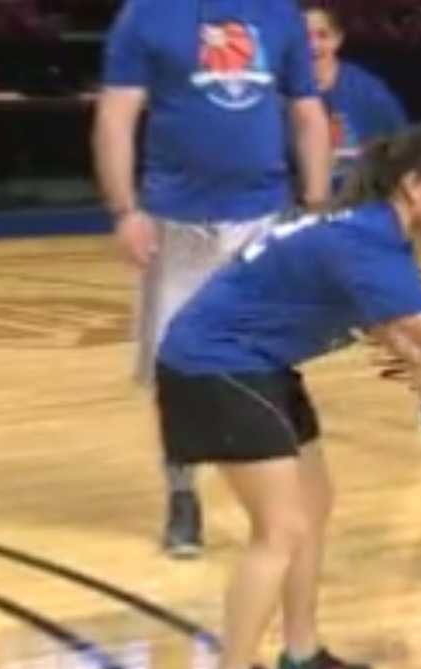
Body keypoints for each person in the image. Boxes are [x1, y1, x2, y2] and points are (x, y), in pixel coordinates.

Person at [154, 122, 421, 669]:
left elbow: (398, 334)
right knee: (279, 530)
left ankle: (301, 655)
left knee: (313, 505)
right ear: (412, 186)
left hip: (258, 363)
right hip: (213, 365)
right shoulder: (367, 243)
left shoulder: (370, 233)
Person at [92, 0, 331, 558]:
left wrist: (317, 205)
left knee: (267, 356)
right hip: (176, 220)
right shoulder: (146, 14)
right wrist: (125, 209)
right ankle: (182, 491)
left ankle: (276, 491)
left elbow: (308, 112)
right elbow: (116, 116)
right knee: (175, 367)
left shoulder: (279, 15)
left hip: (262, 215)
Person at [303, 4, 421, 436]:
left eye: (321, 35)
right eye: (304, 37)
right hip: (303, 223)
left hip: (363, 224)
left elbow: (405, 154)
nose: (312, 45)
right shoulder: (281, 94)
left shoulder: (368, 93)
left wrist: (405, 212)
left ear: (338, 39)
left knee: (396, 314)